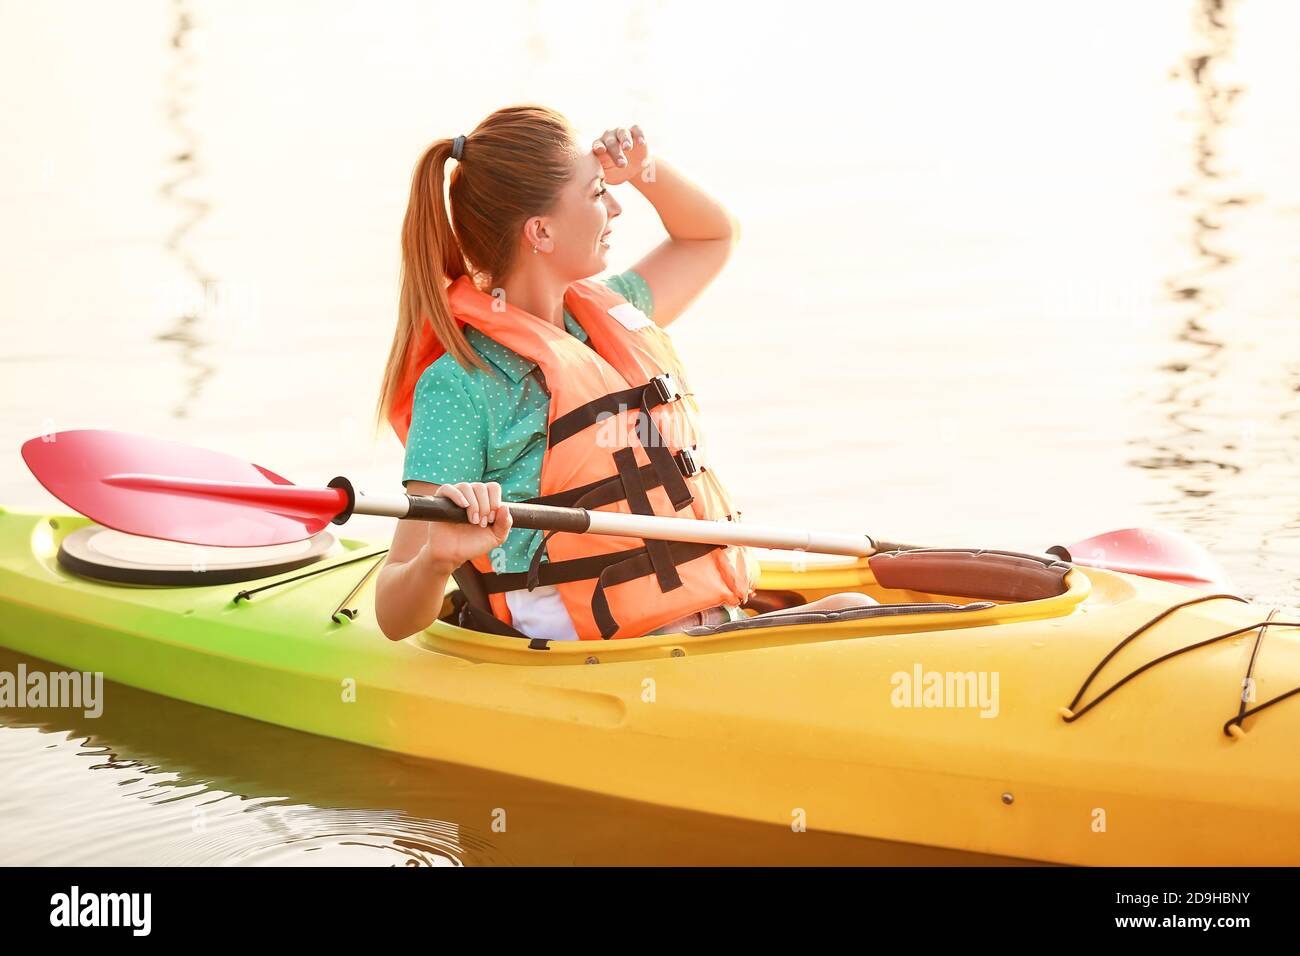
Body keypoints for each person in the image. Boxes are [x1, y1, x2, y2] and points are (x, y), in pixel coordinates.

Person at [373, 105, 875, 643]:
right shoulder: (462, 387)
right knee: (862, 629)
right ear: (540, 231)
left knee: (860, 608)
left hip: (708, 627)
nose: (615, 206)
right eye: (596, 193)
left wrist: (644, 169)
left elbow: (712, 237)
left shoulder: (613, 315)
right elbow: (394, 614)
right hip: (612, 657)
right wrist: (434, 561)